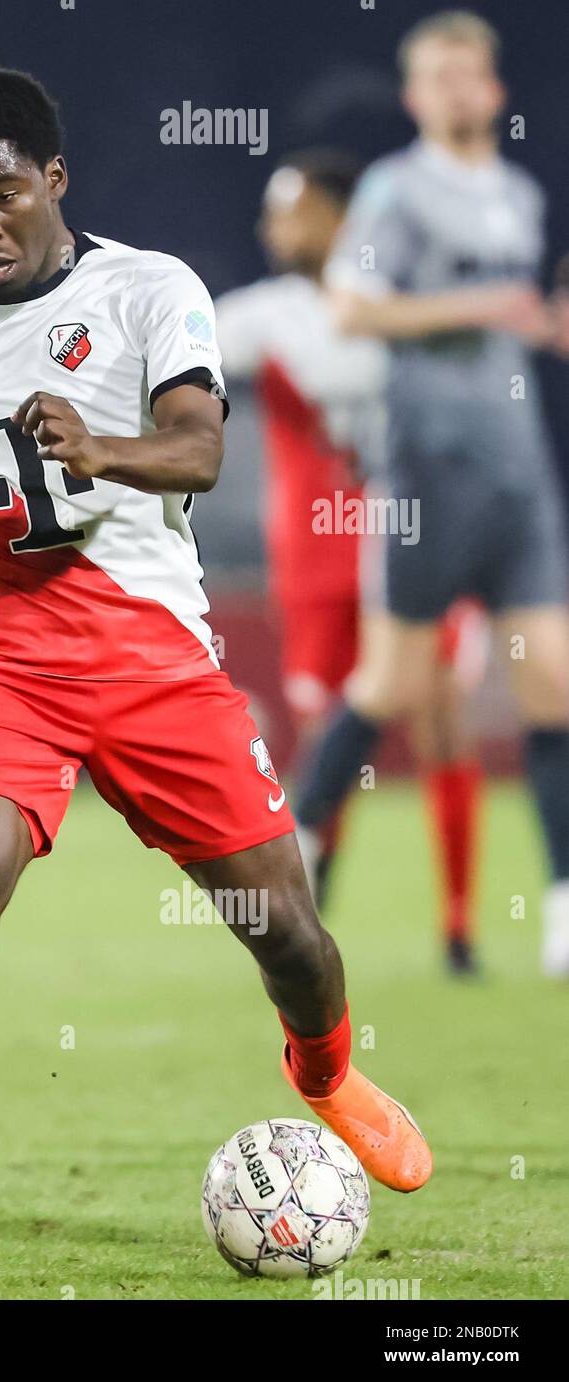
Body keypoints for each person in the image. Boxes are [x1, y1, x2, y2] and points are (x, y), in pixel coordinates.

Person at [0, 67, 431, 1284]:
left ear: (53, 180)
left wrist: (97, 444)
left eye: (4, 194)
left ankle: (321, 1069)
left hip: (154, 658)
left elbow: (203, 450)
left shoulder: (152, 287)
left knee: (293, 939)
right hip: (7, 659)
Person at [290, 11, 569, 978]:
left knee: (556, 684)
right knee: (392, 686)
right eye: (439, 76)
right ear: (416, 96)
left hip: (519, 473)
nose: (459, 90)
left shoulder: (522, 197)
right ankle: (300, 842)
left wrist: (541, 325)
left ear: (494, 89)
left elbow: (513, 322)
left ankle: (563, 910)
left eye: (472, 74)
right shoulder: (397, 191)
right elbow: (352, 304)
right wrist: (476, 305)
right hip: (429, 478)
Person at [215, 150, 487, 972]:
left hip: (410, 539)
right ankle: (314, 901)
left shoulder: (395, 298)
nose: (272, 227)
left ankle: (459, 927)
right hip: (311, 556)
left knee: (440, 710)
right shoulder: (262, 315)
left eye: (288, 209)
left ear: (336, 215)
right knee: (328, 727)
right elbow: (179, 349)